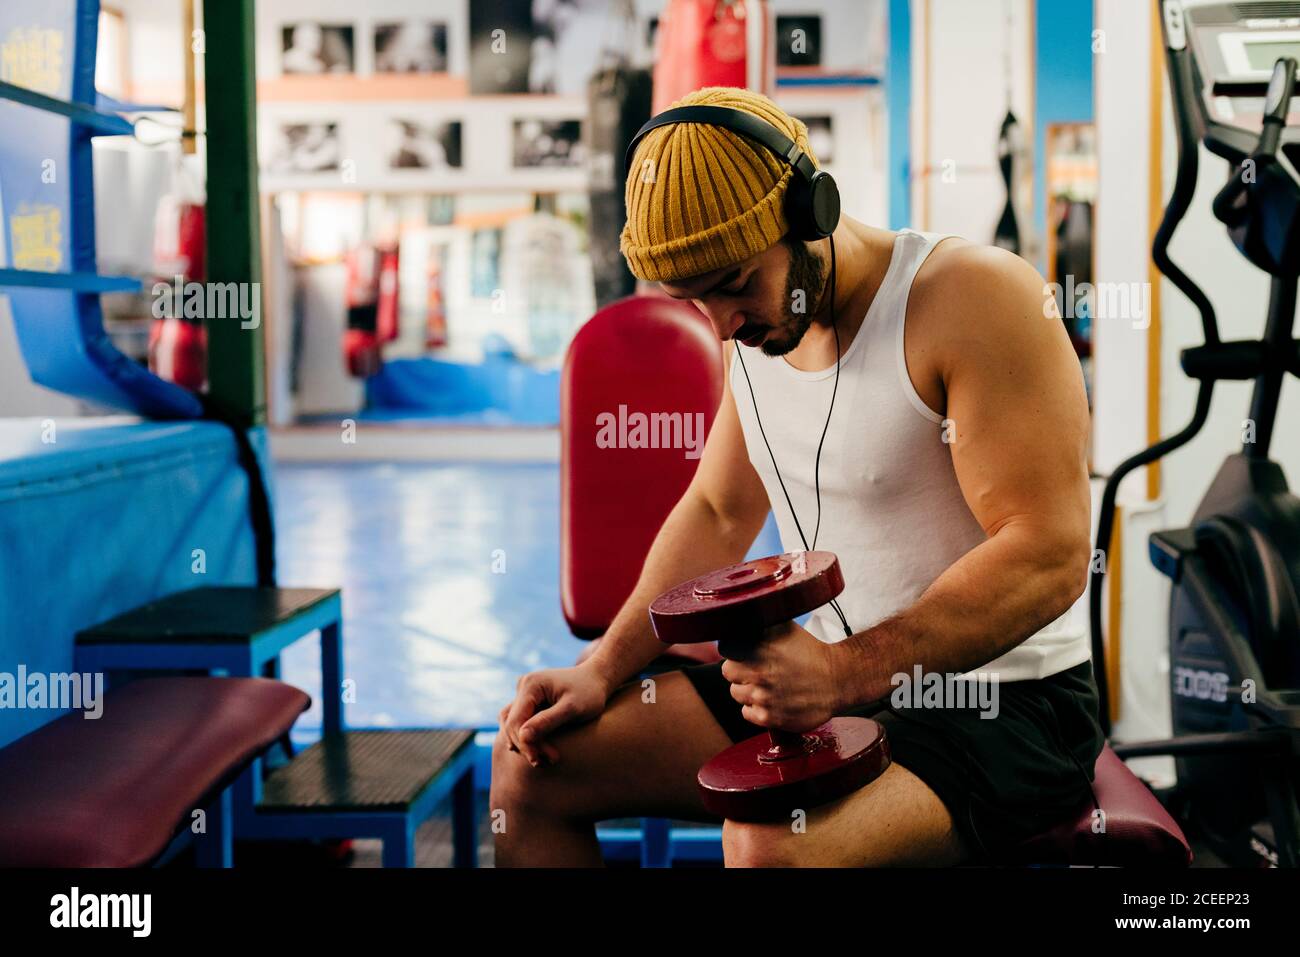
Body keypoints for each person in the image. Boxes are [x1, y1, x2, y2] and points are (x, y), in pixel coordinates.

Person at [492, 87, 1102, 867]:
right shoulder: (755, 330)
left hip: (1003, 700)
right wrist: (602, 667)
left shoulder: (973, 298)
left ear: (812, 210)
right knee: (532, 766)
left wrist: (843, 674)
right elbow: (717, 510)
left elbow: (1047, 551)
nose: (718, 325)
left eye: (735, 284)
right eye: (694, 298)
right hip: (834, 681)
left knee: (770, 845)